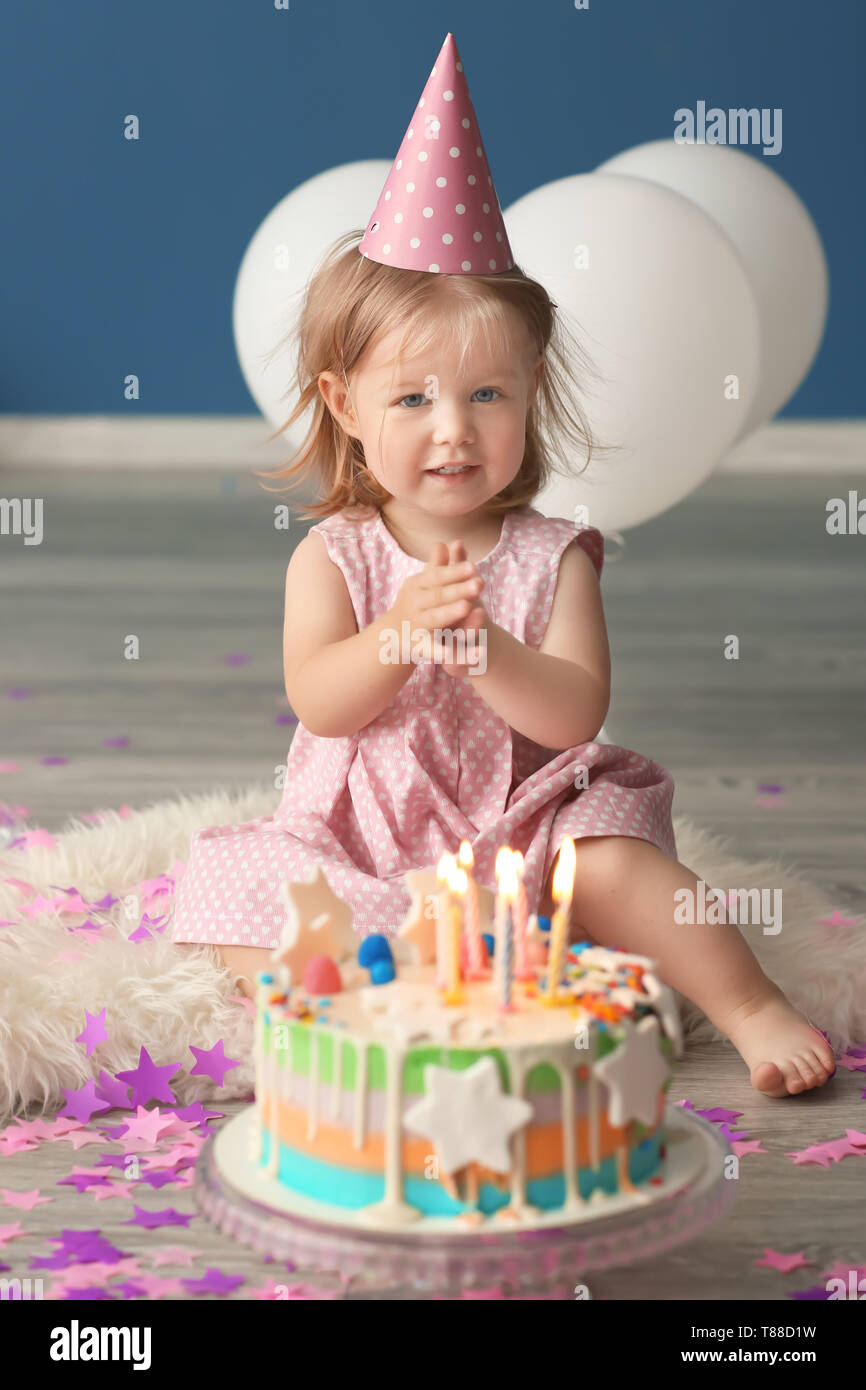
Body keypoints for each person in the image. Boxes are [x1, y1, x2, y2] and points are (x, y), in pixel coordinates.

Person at [171, 33, 835, 1098]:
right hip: (374, 841)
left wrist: (483, 651)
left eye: (487, 395)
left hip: (526, 838)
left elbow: (575, 712)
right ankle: (388, 996)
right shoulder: (333, 556)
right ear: (345, 404)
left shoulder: (550, 551)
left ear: (530, 392)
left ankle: (747, 1001)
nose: (453, 431)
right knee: (243, 886)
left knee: (624, 868)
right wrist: (396, 637)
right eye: (412, 399)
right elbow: (320, 699)